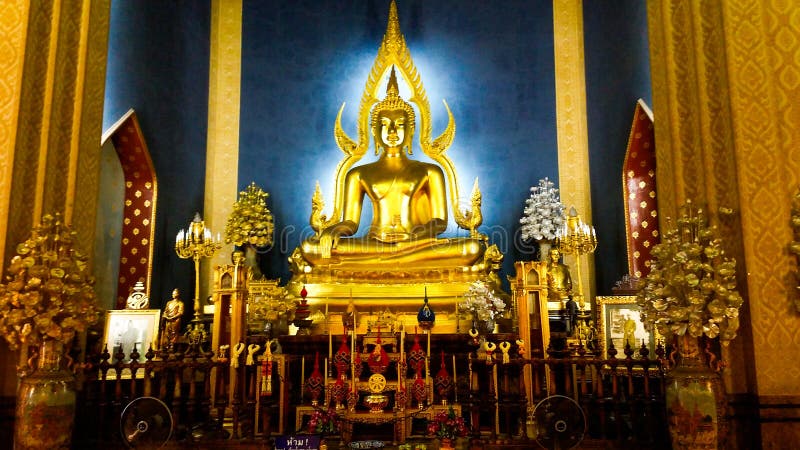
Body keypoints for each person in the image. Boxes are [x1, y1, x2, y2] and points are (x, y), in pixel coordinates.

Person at [300, 68, 484, 268]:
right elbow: (351, 223)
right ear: (374, 130)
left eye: (400, 124)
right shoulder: (358, 174)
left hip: (416, 244)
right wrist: (334, 231)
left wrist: (421, 234)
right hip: (375, 243)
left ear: (411, 129)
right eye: (385, 124)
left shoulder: (431, 171)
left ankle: (390, 261)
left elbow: (440, 221)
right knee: (311, 248)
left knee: (471, 248)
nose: (393, 131)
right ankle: (394, 260)